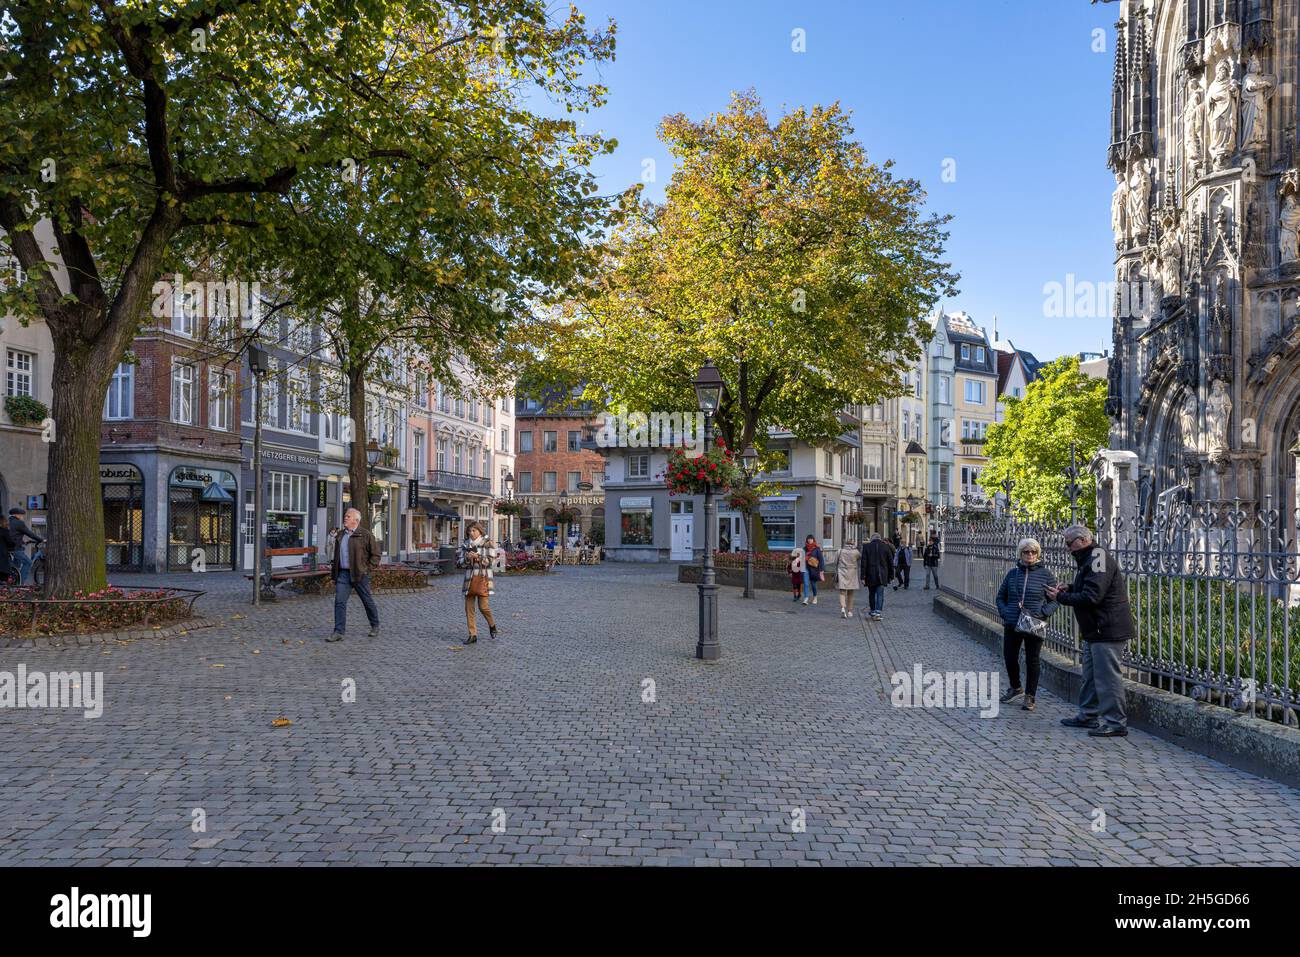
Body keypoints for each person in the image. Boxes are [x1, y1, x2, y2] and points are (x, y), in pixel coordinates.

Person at [1045, 525, 1136, 738]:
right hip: (1095, 629)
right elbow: (1090, 586)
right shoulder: (1090, 557)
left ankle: (1115, 723)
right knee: (1091, 676)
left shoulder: (1097, 557)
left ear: (1083, 540)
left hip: (1107, 628)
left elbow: (1093, 595)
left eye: (1069, 543)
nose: (1067, 548)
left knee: (1107, 678)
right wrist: (1070, 587)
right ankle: (1088, 715)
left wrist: (1060, 598)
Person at [994, 537, 1058, 712]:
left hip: (1034, 623)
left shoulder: (1046, 575)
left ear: (1038, 553)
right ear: (1020, 554)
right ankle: (1016, 687)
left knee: (1032, 660)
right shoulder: (1012, 574)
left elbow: (1055, 599)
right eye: (1026, 552)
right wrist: (1006, 613)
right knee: (1010, 657)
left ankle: (1030, 695)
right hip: (1013, 623)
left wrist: (1044, 613)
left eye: (1033, 552)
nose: (1030, 555)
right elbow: (1000, 597)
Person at [325, 508, 381, 642]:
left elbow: (376, 555)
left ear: (356, 520)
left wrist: (366, 569)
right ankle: (338, 631)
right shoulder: (340, 535)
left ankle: (375, 625)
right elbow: (337, 556)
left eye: (348, 516)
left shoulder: (365, 535)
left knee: (367, 600)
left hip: (360, 574)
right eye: (345, 516)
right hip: (343, 574)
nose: (345, 518)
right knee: (339, 601)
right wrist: (335, 573)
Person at [458, 522, 499, 644]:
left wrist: (478, 556)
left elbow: (491, 562)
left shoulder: (488, 543)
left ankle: (492, 625)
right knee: (469, 609)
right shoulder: (465, 544)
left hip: (483, 579)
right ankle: (473, 634)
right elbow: (459, 563)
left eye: (474, 531)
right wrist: (467, 558)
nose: (471, 533)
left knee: (483, 607)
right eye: (470, 531)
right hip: (469, 581)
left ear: (480, 531)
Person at [859, 532, 895, 621]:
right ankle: (878, 612)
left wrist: (862, 577)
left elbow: (863, 563)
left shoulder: (866, 547)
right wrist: (891, 575)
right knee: (880, 594)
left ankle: (873, 610)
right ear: (880, 538)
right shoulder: (886, 547)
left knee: (871, 593)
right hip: (882, 575)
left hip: (870, 575)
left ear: (872, 538)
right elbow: (891, 563)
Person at [8, 507, 43, 586]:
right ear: (17, 515)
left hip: (9, 547)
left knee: (16, 566)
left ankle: (14, 581)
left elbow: (13, 535)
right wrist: (41, 539)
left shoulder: (8, 521)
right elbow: (29, 533)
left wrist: (23, 541)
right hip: (16, 548)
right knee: (28, 562)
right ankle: (21, 583)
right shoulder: (19, 523)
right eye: (22, 515)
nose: (23, 517)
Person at [836, 540, 862, 618]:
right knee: (851, 593)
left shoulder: (840, 551)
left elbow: (835, 561)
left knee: (842, 592)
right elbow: (860, 558)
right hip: (852, 573)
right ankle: (850, 611)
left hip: (842, 572)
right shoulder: (856, 552)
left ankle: (843, 608)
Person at [802, 535, 824, 606]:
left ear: (813, 540)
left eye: (811, 539)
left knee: (813, 584)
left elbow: (821, 560)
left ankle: (815, 597)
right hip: (805, 568)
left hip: (814, 569)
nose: (809, 540)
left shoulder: (817, 549)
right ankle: (806, 598)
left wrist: (821, 569)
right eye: (808, 539)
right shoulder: (804, 548)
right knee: (806, 583)